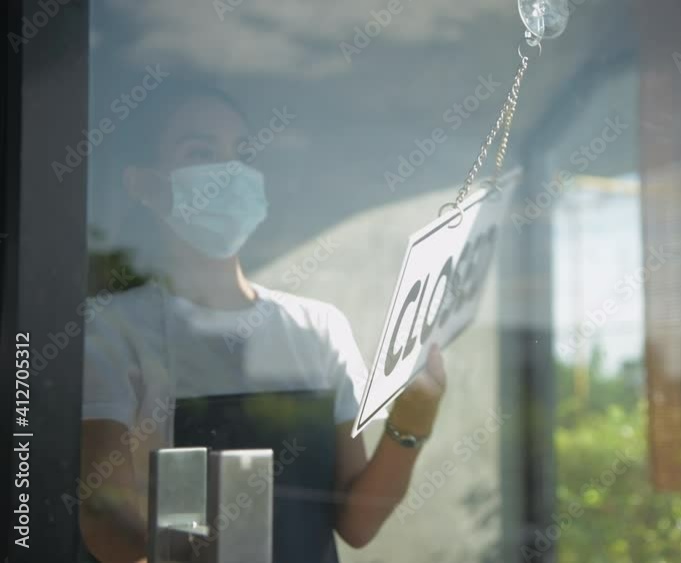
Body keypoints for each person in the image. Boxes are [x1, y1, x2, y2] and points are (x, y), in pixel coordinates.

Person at [78, 80, 446, 563]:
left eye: (242, 153)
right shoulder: (111, 330)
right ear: (145, 185)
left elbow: (356, 523)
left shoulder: (317, 330)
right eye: (200, 151)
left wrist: (414, 418)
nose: (229, 171)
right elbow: (104, 516)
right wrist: (185, 551)